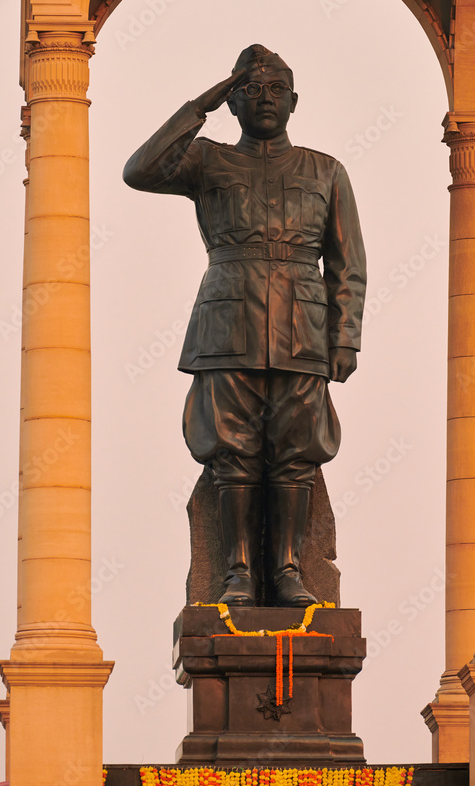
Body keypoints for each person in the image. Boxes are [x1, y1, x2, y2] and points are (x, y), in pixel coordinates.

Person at [123, 45, 366, 607]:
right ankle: (234, 571)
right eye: (250, 90)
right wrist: (199, 104)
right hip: (226, 324)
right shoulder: (206, 161)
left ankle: (286, 570)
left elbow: (348, 264)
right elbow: (140, 169)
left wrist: (345, 336)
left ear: (294, 101)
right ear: (231, 101)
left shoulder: (325, 171)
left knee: (295, 453)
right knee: (230, 451)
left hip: (303, 329)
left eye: (275, 89)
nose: (264, 99)